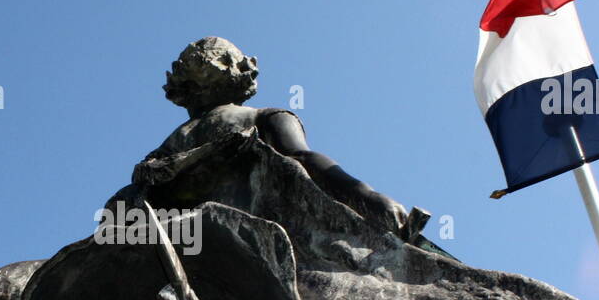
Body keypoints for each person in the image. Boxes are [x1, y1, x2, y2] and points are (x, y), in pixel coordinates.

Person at [153, 36, 415, 236]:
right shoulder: (265, 116)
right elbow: (302, 158)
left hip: (189, 238)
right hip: (242, 233)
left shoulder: (170, 145)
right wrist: (367, 198)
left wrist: (366, 197)